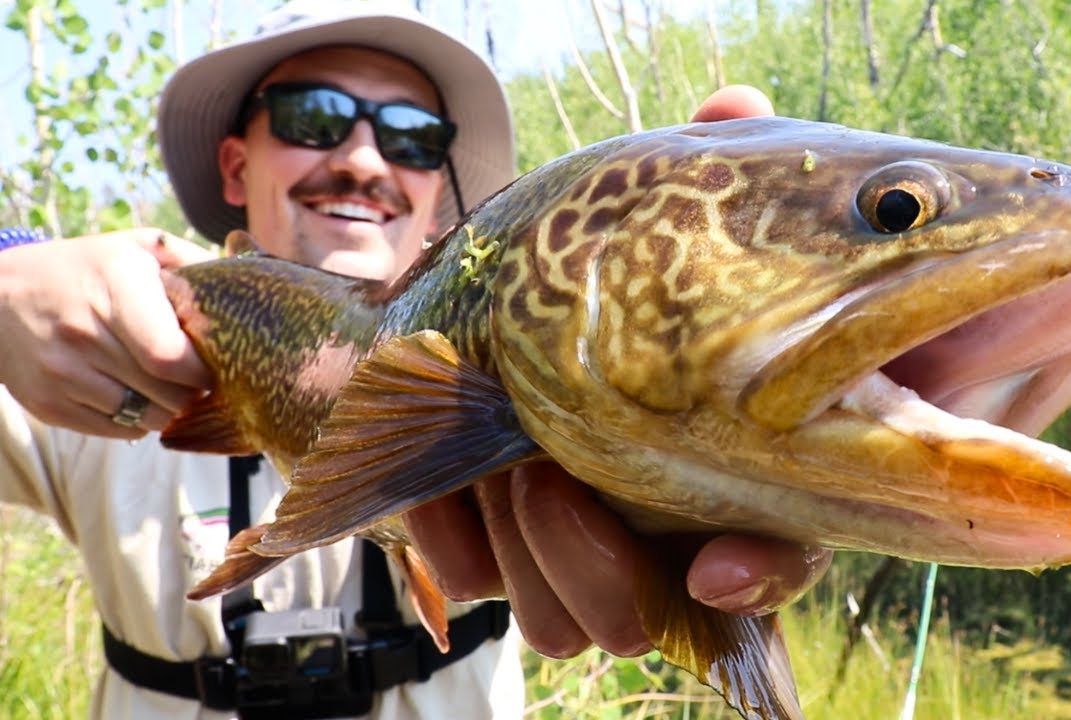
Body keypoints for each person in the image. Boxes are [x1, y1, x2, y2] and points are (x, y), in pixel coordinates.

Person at [0, 1, 831, 718]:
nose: (364, 159)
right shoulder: (115, 335)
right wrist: (10, 279)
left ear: (438, 194)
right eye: (313, 117)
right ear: (236, 164)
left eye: (412, 137)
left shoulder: (538, 348)